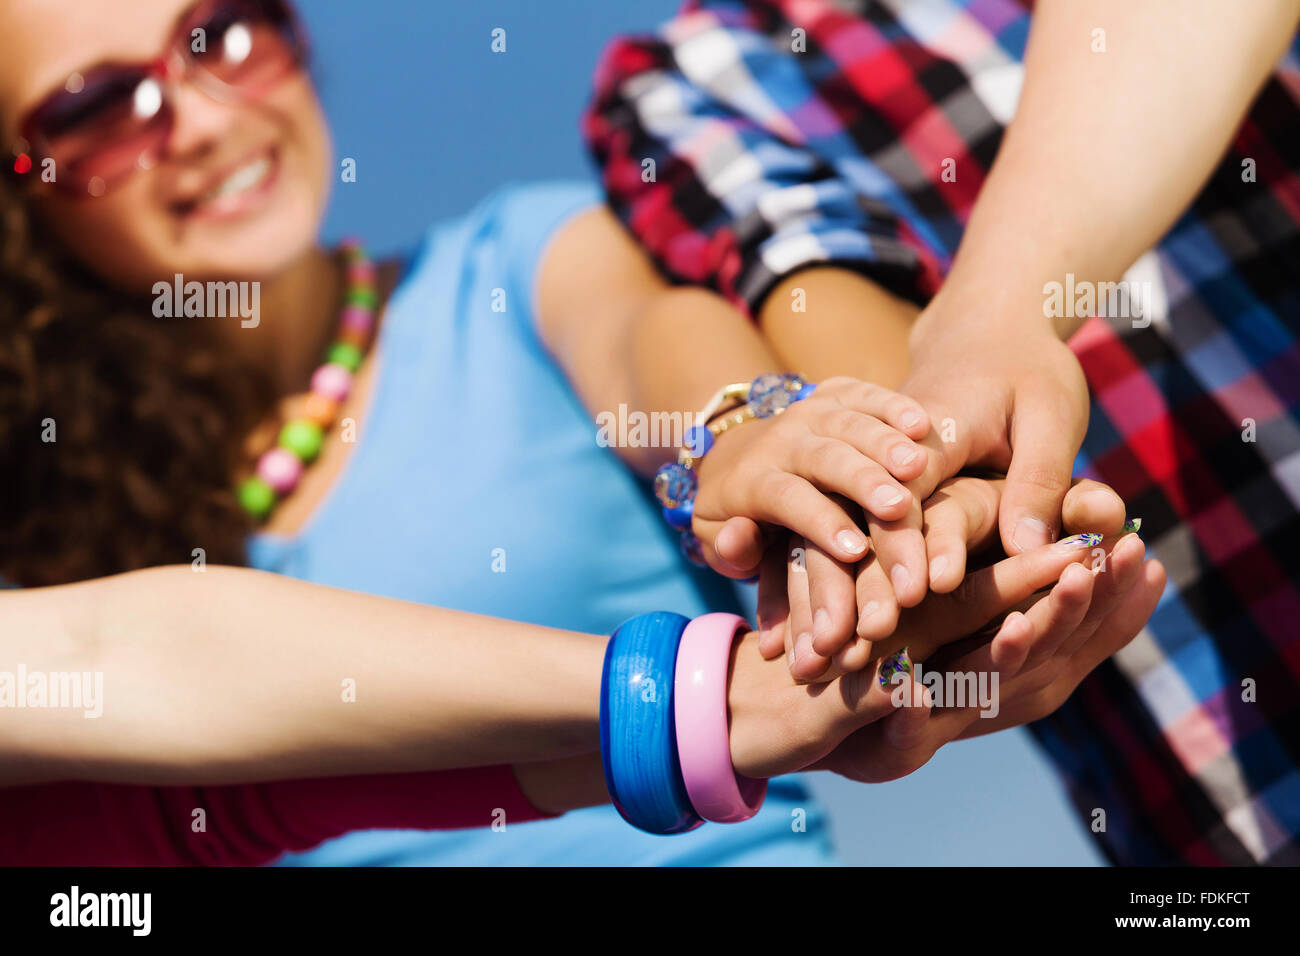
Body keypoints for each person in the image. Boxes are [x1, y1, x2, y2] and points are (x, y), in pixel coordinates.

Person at [0, 0, 1161, 865]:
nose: (200, 116)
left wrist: (744, 438)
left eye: (222, 33)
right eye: (99, 109)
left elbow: (645, 332)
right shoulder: (47, 532)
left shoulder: (504, 266)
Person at [585, 0, 1300, 863]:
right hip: (1206, 744)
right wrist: (918, 499)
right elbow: (806, 266)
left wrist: (988, 321)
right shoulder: (682, 75)